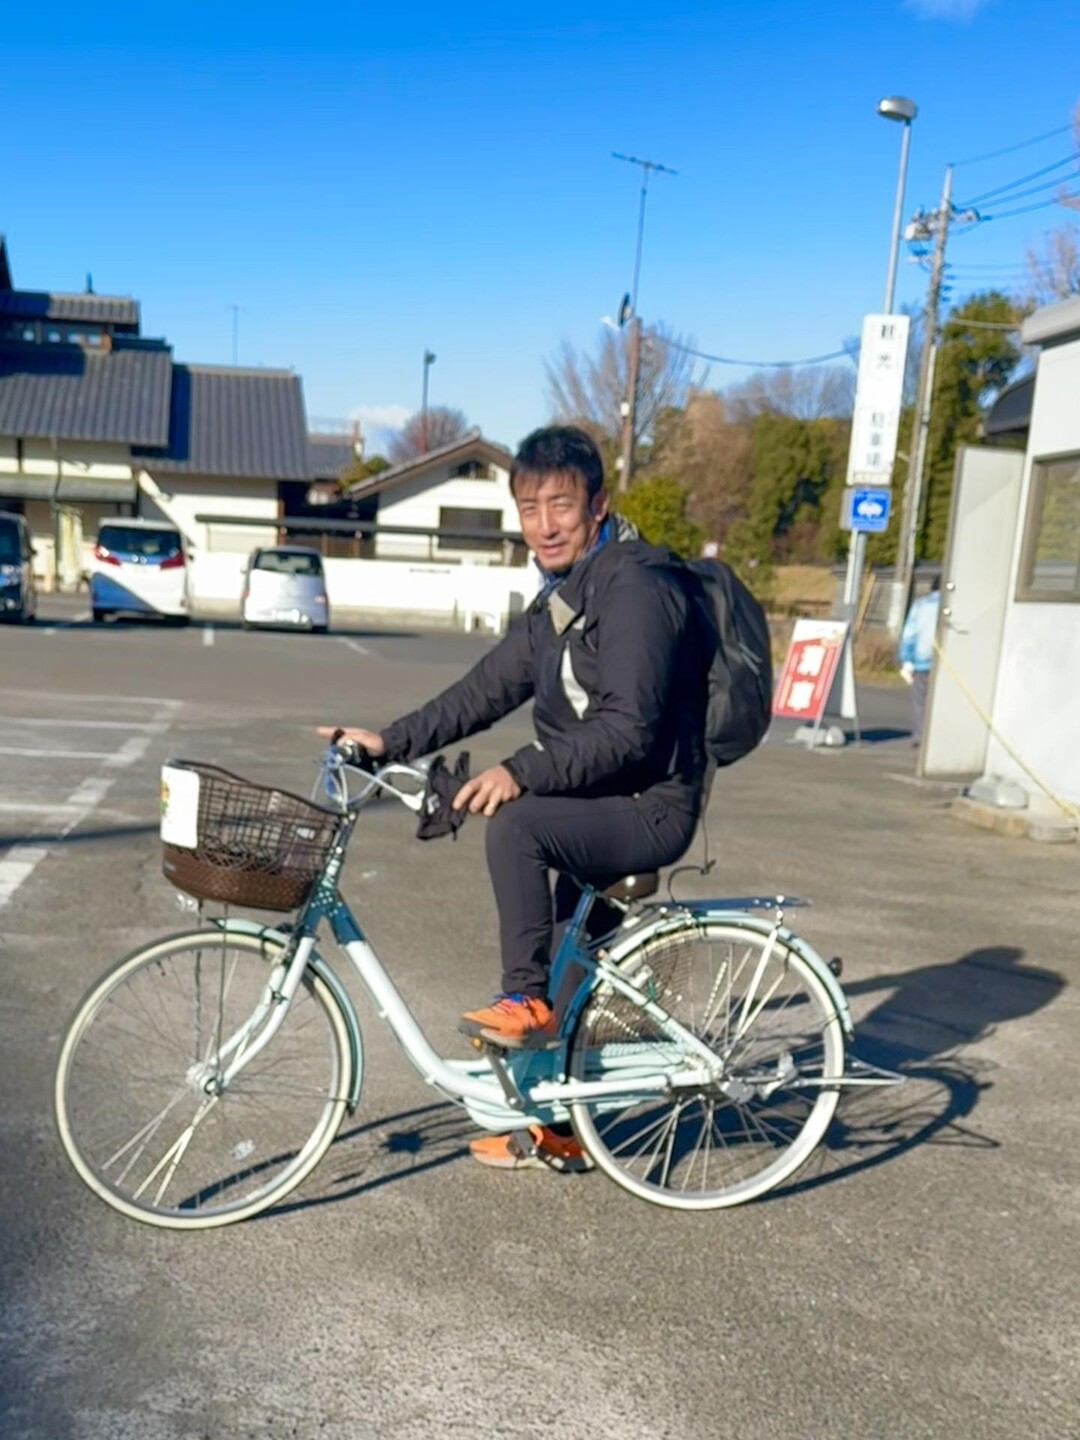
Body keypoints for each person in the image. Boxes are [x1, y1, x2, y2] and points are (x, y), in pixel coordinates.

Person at [321, 425, 708, 1169]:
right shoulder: (562, 596)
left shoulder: (634, 588)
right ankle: (560, 1126)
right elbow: (485, 689)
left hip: (648, 806)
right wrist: (390, 740)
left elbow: (628, 730)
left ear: (598, 505)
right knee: (572, 956)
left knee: (518, 826)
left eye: (560, 505)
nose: (544, 524)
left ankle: (523, 1002)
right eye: (529, 509)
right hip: (598, 802)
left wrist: (522, 771)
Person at [898, 574, 941, 748]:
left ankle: (919, 736)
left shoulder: (920, 605)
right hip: (945, 663)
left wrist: (906, 660)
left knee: (920, 701)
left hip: (922, 660)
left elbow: (909, 635)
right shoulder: (955, 606)